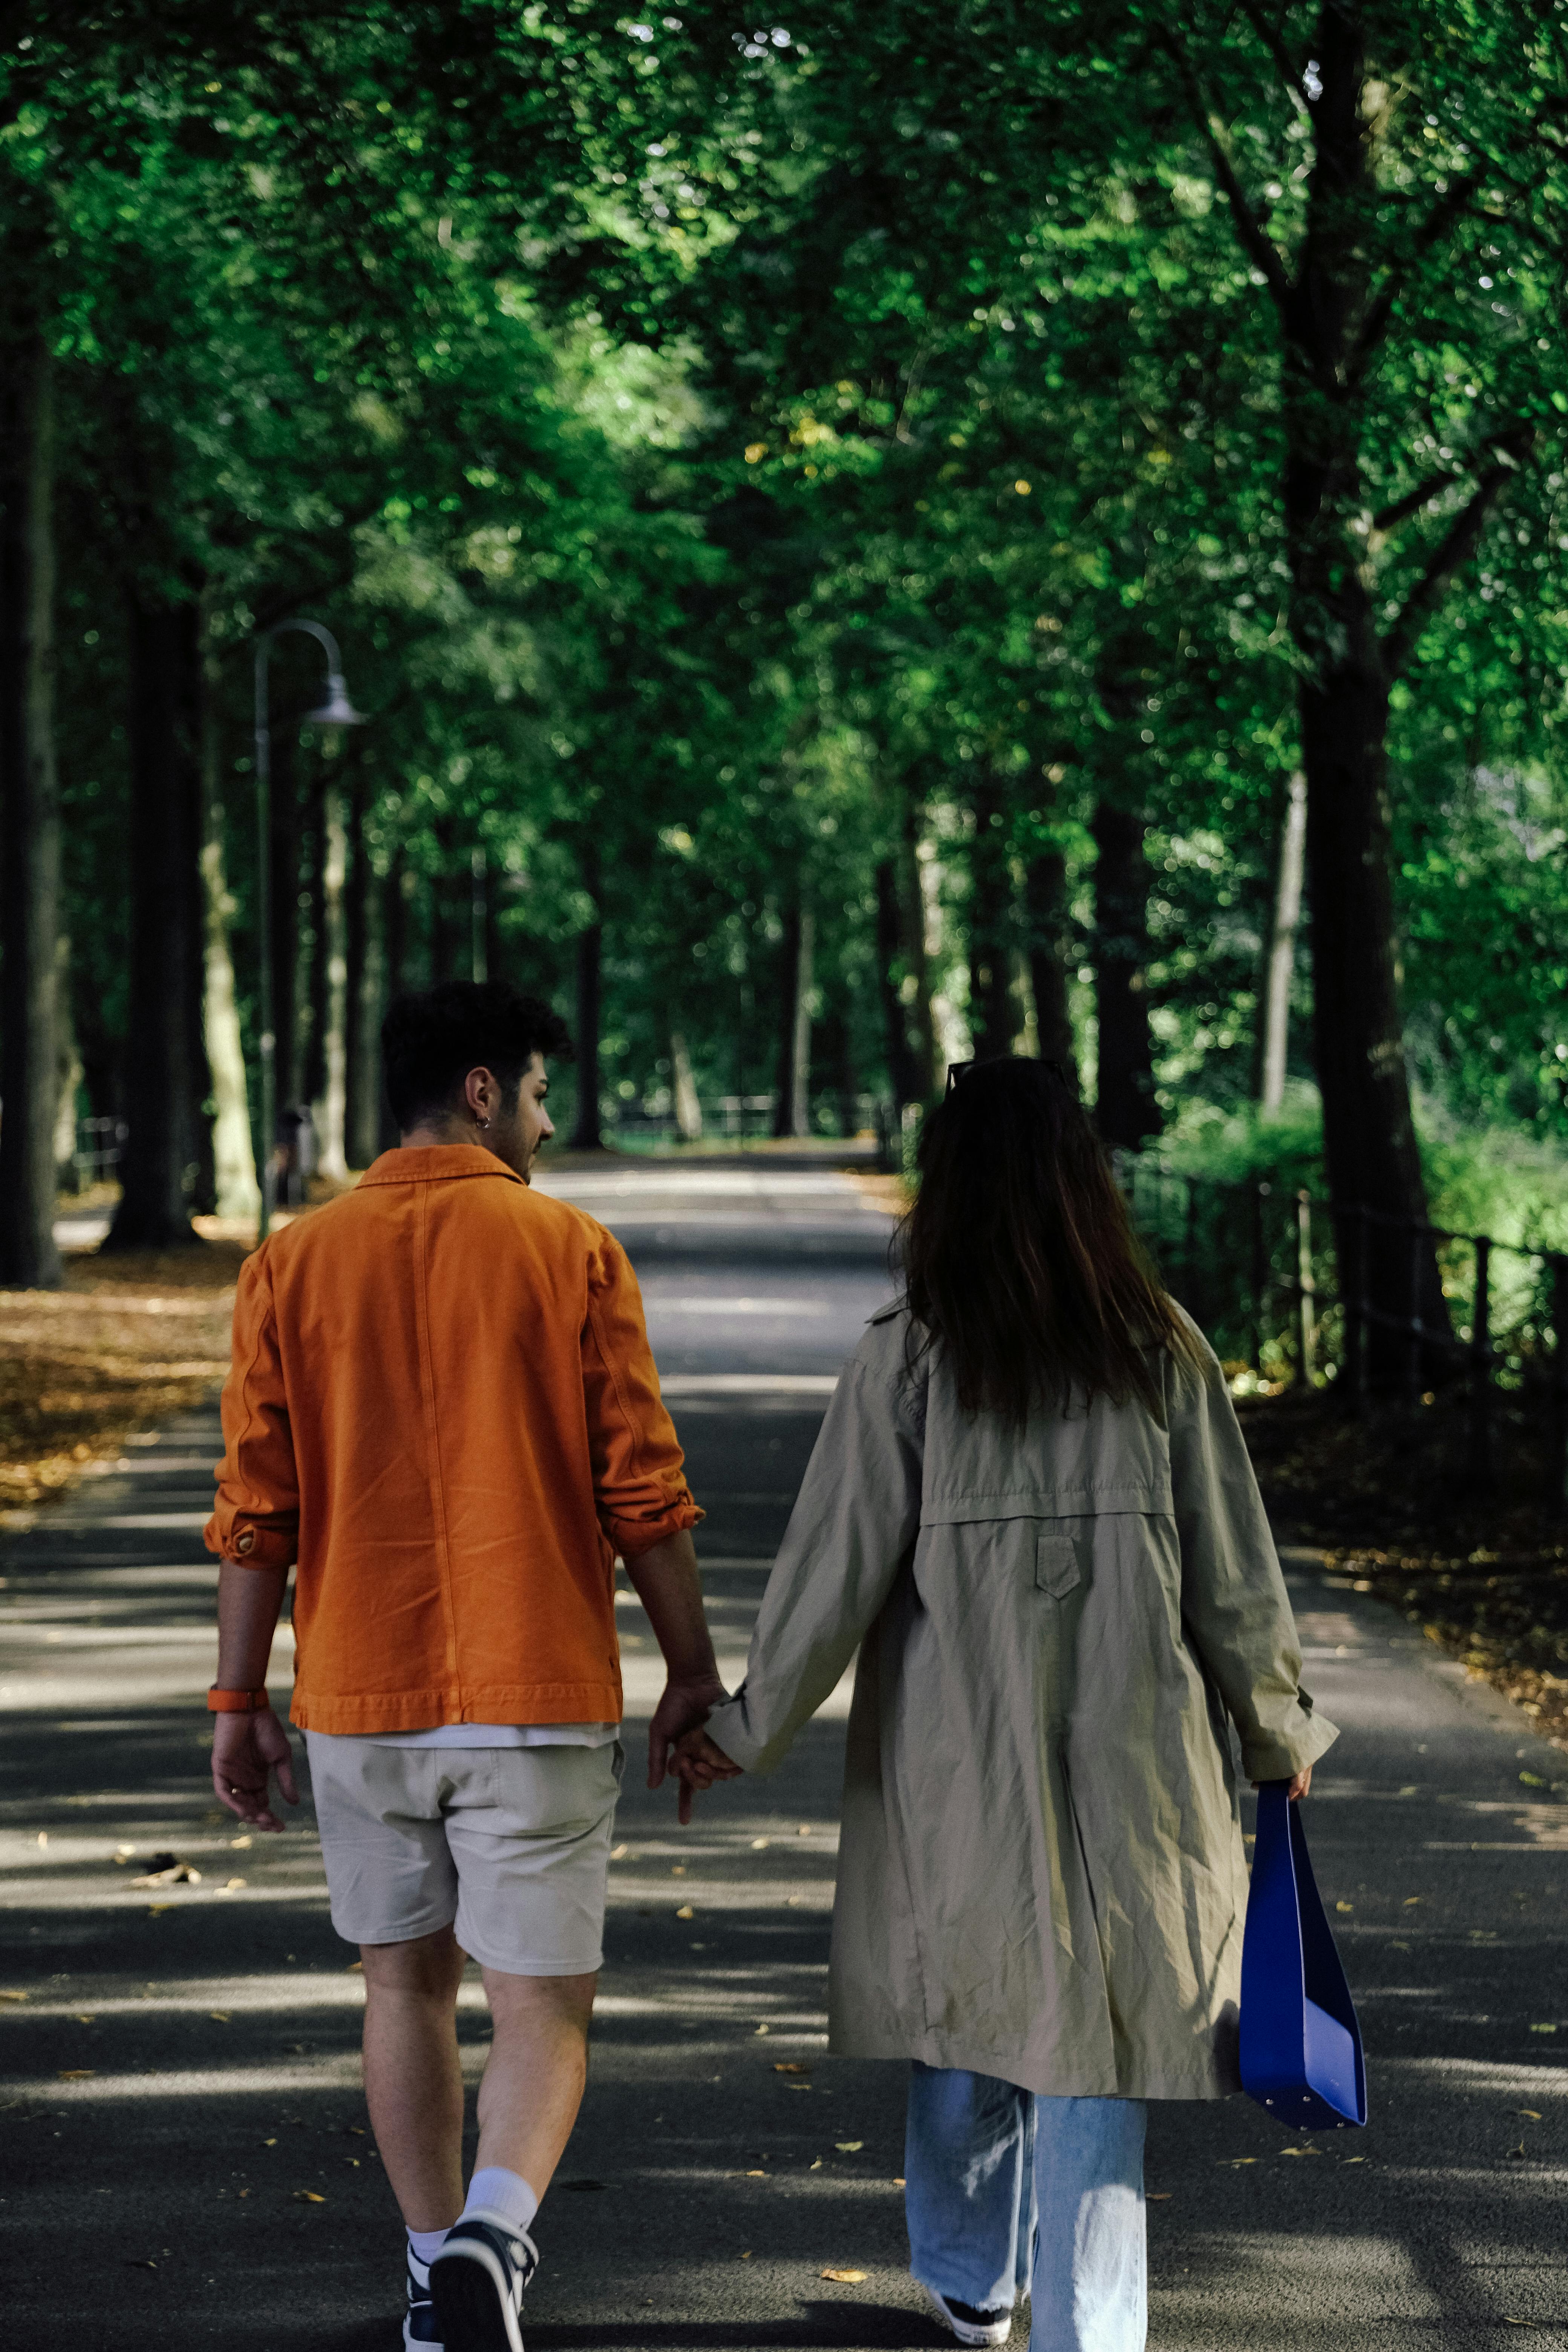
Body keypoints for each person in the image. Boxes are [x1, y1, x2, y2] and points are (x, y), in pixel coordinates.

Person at [675, 1056, 1337, 2352]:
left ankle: (971, 2284)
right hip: (1135, 1754)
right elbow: (1235, 1570)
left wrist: (741, 1731)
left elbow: (830, 1571)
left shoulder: (909, 1357)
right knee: (1096, 2034)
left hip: (955, 1750)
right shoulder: (1160, 1347)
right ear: (1087, 1183)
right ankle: (1090, 2329)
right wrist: (1275, 1729)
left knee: (964, 2011)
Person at [203, 980, 723, 2352]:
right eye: (542, 1092)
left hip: (360, 1706)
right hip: (538, 1697)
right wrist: (690, 1673)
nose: (547, 1122)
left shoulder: (290, 1264)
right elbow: (644, 1495)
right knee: (542, 2005)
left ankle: (439, 2271)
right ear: (484, 1090)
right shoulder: (571, 1251)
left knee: (402, 1987)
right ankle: (499, 2230)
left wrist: (236, 1699)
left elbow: (260, 1511)